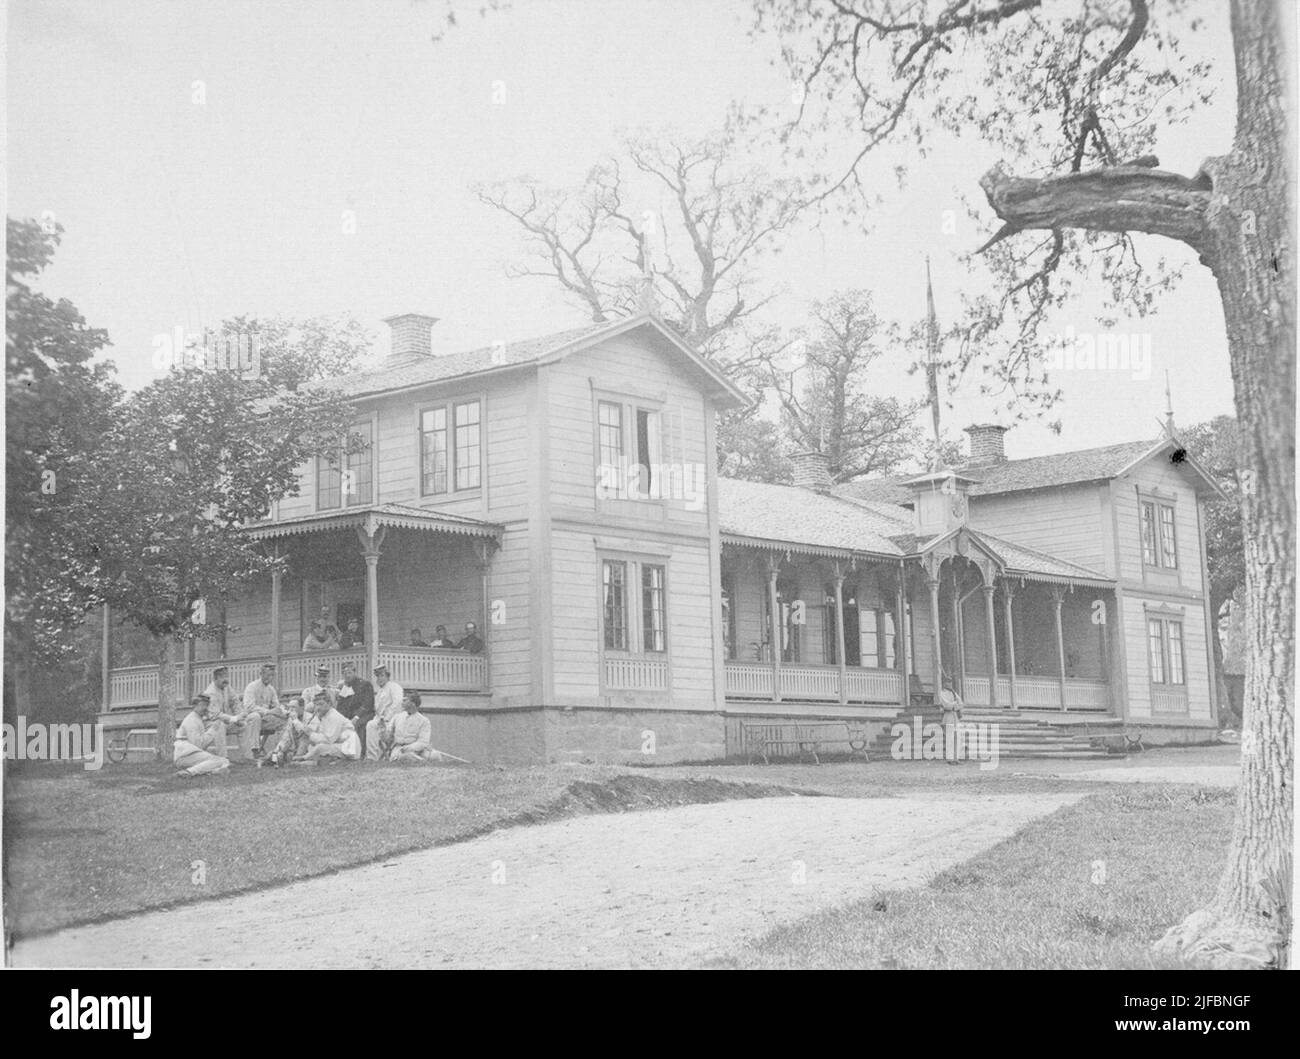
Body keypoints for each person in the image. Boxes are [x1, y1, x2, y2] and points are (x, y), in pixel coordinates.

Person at [173, 694, 230, 777]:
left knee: (224, 761)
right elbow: (199, 745)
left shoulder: (198, 718)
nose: (205, 708)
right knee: (218, 761)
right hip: (184, 757)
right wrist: (213, 729)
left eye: (207, 705)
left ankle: (212, 772)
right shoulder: (192, 720)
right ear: (195, 706)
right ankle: (189, 772)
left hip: (191, 754)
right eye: (202, 705)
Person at [299, 692, 361, 763]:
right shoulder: (324, 716)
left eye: (321, 704)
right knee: (313, 746)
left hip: (349, 748)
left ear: (329, 704)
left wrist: (310, 734)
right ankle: (311, 759)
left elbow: (328, 740)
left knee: (320, 747)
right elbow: (322, 735)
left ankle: (305, 758)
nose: (318, 707)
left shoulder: (334, 716)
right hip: (339, 745)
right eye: (316, 705)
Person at [242, 662, 288, 754]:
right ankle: (254, 750)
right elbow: (249, 707)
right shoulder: (252, 687)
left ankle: (280, 750)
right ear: (261, 674)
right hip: (250, 718)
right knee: (256, 716)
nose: (269, 678)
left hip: (265, 719)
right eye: (267, 675)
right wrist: (268, 711)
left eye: (271, 675)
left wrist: (282, 712)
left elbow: (276, 705)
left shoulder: (271, 689)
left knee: (285, 721)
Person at [365, 665, 405, 761]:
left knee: (371, 725)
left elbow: (397, 704)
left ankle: (372, 757)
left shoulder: (394, 687)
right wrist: (379, 719)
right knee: (371, 725)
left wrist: (386, 718)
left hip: (394, 723)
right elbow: (378, 712)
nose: (380, 678)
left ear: (387, 676)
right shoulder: (379, 692)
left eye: (382, 675)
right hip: (382, 723)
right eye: (378, 676)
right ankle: (372, 757)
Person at [336, 662, 375, 755]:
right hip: (349, 716)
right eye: (344, 673)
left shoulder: (365, 684)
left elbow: (367, 704)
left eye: (349, 672)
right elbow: (341, 707)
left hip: (365, 714)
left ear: (354, 672)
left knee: (358, 725)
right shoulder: (344, 687)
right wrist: (339, 719)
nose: (347, 676)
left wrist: (356, 717)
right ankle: (342, 753)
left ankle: (360, 753)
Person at [389, 691, 434, 761]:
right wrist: (382, 730)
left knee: (434, 755)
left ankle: (421, 761)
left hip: (418, 749)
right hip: (399, 750)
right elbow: (387, 738)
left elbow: (423, 742)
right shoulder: (397, 717)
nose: (402, 702)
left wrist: (410, 748)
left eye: (405, 700)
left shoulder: (424, 721)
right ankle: (422, 762)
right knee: (408, 756)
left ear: (413, 704)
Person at [268, 697, 313, 766]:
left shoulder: (310, 718)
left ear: (302, 707)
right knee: (276, 755)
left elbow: (304, 733)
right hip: (295, 748)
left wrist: (295, 720)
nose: (291, 710)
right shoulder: (291, 719)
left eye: (294, 707)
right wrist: (278, 750)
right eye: (289, 707)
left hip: (309, 748)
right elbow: (286, 737)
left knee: (303, 738)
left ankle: (296, 760)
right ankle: (269, 760)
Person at [939, 681, 964, 765]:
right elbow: (946, 705)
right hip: (948, 717)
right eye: (947, 682)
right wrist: (954, 704)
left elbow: (961, 704)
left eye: (950, 682)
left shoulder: (953, 693)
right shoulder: (942, 693)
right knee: (950, 738)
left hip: (955, 717)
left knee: (958, 738)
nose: (949, 684)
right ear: (944, 684)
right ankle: (950, 758)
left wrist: (954, 705)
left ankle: (956, 758)